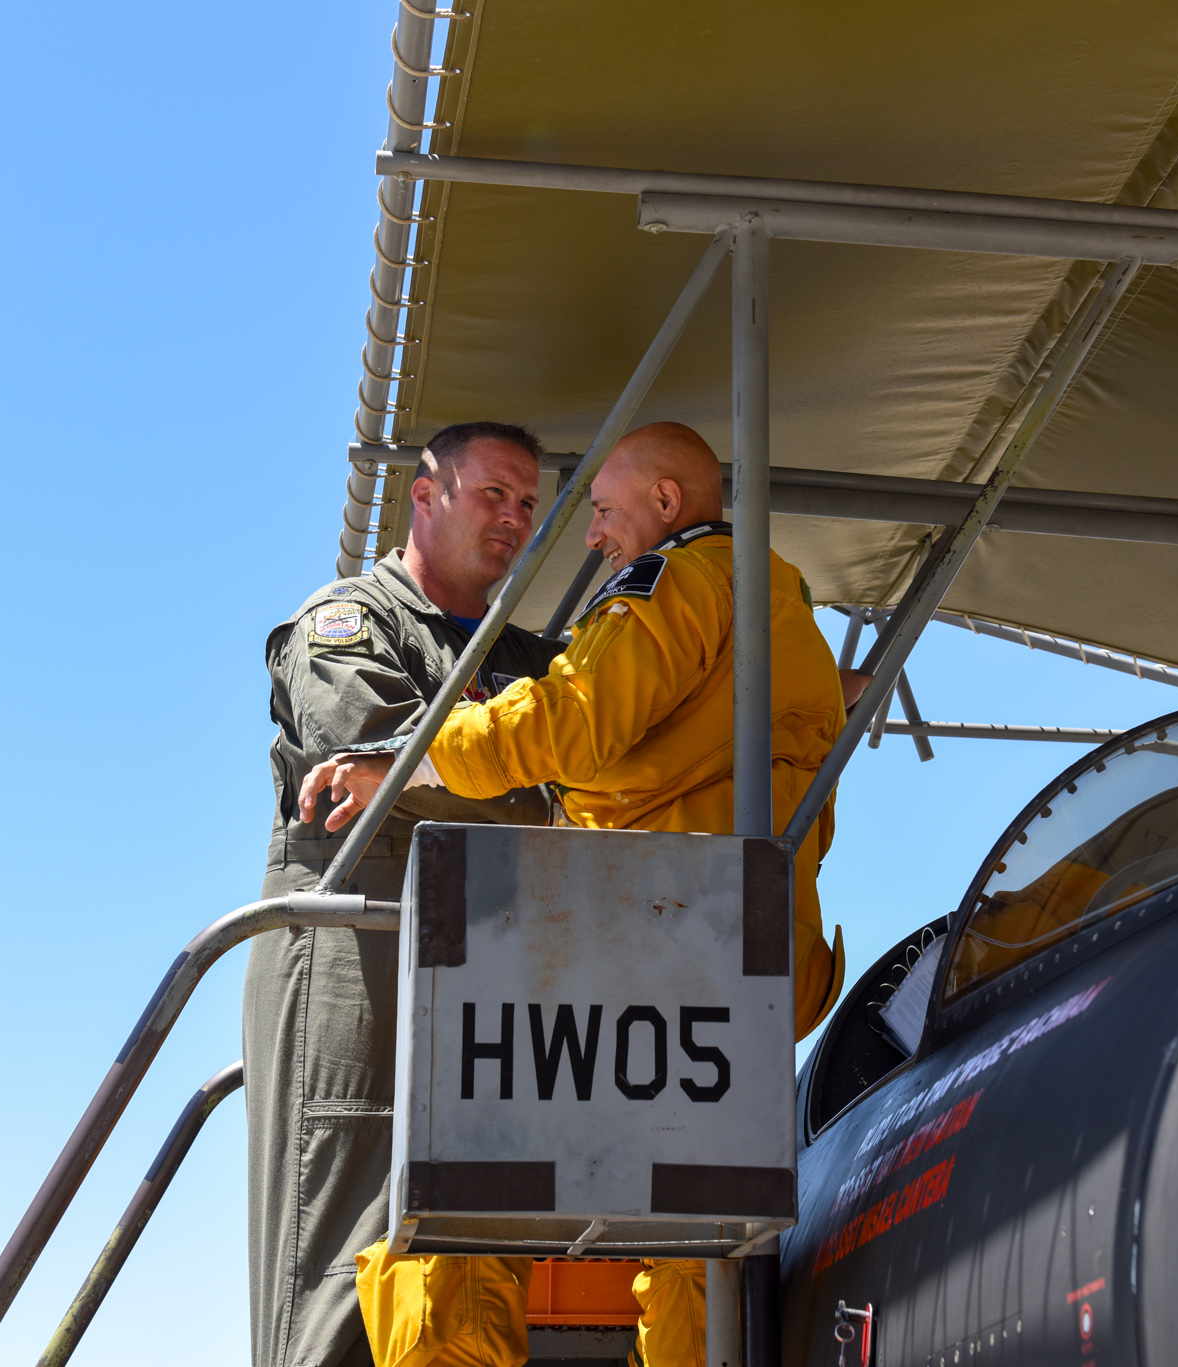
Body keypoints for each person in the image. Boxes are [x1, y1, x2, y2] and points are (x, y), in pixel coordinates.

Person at [306, 420, 850, 1367]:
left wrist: (421, 756)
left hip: (643, 946)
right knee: (698, 1247)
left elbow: (574, 719)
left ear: (666, 502)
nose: (592, 535)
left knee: (462, 1193)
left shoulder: (675, 579)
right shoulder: (778, 596)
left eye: (602, 510)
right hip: (743, 966)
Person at [247, 420, 559, 1367]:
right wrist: (544, 785)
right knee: (346, 1255)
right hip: (362, 972)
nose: (514, 518)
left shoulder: (530, 660)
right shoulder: (346, 624)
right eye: (492, 493)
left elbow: (606, 748)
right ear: (425, 496)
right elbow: (384, 756)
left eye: (527, 503)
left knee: (469, 1267)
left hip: (489, 981)